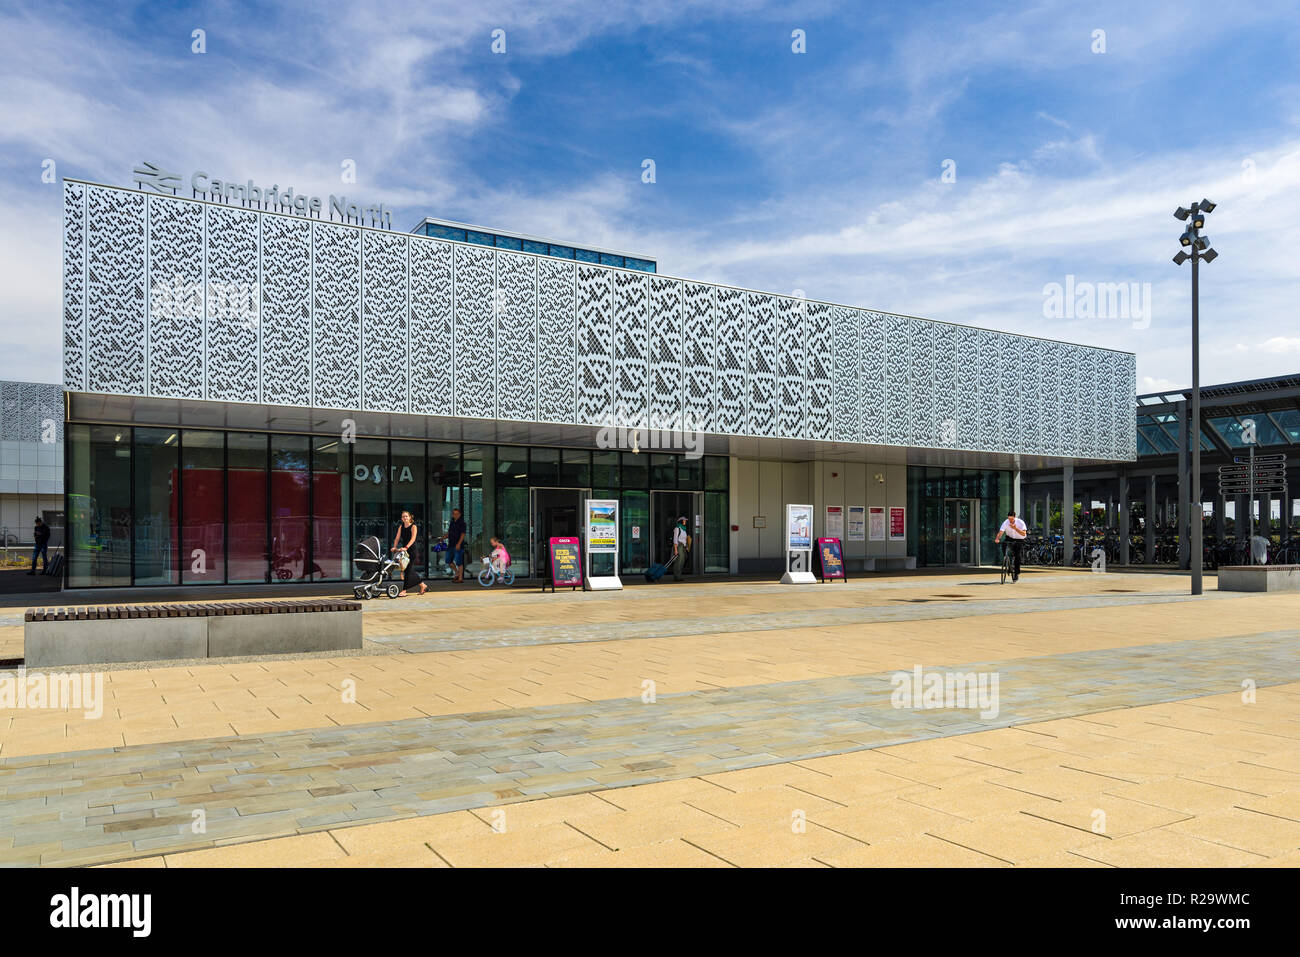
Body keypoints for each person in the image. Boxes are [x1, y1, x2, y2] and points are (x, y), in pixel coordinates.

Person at [392, 510, 426, 597]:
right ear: (401, 518)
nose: (405, 518)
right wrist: (395, 547)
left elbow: (413, 539)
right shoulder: (401, 526)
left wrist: (406, 547)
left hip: (412, 550)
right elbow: (397, 538)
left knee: (408, 570)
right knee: (408, 570)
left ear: (410, 517)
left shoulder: (413, 526)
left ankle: (404, 590)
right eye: (403, 517)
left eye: (406, 516)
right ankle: (422, 585)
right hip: (404, 551)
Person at [994, 509, 1028, 582]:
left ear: (1015, 517)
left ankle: (1016, 573)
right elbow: (1001, 532)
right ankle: (1007, 561)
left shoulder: (1020, 522)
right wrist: (997, 538)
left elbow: (1024, 534)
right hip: (1010, 538)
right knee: (1004, 544)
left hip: (1020, 539)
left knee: (1017, 555)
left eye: (1011, 519)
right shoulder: (1006, 522)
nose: (1010, 520)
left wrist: (1015, 528)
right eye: (1009, 518)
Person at [439, 507, 468, 583]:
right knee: (448, 560)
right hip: (451, 544)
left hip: (458, 545)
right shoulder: (452, 522)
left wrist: (459, 544)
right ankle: (457, 573)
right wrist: (444, 537)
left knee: (459, 562)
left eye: (457, 514)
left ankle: (460, 578)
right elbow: (450, 533)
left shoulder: (462, 523)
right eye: (454, 514)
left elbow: (463, 534)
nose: (455, 515)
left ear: (460, 514)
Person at [671, 516, 689, 581]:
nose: (685, 521)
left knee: (682, 561)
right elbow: (675, 539)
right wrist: (675, 549)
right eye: (684, 520)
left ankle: (679, 575)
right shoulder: (677, 528)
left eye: (685, 520)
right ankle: (676, 576)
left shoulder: (684, 529)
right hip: (679, 546)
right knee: (678, 562)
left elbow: (685, 539)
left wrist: (686, 546)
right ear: (681, 521)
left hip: (683, 546)